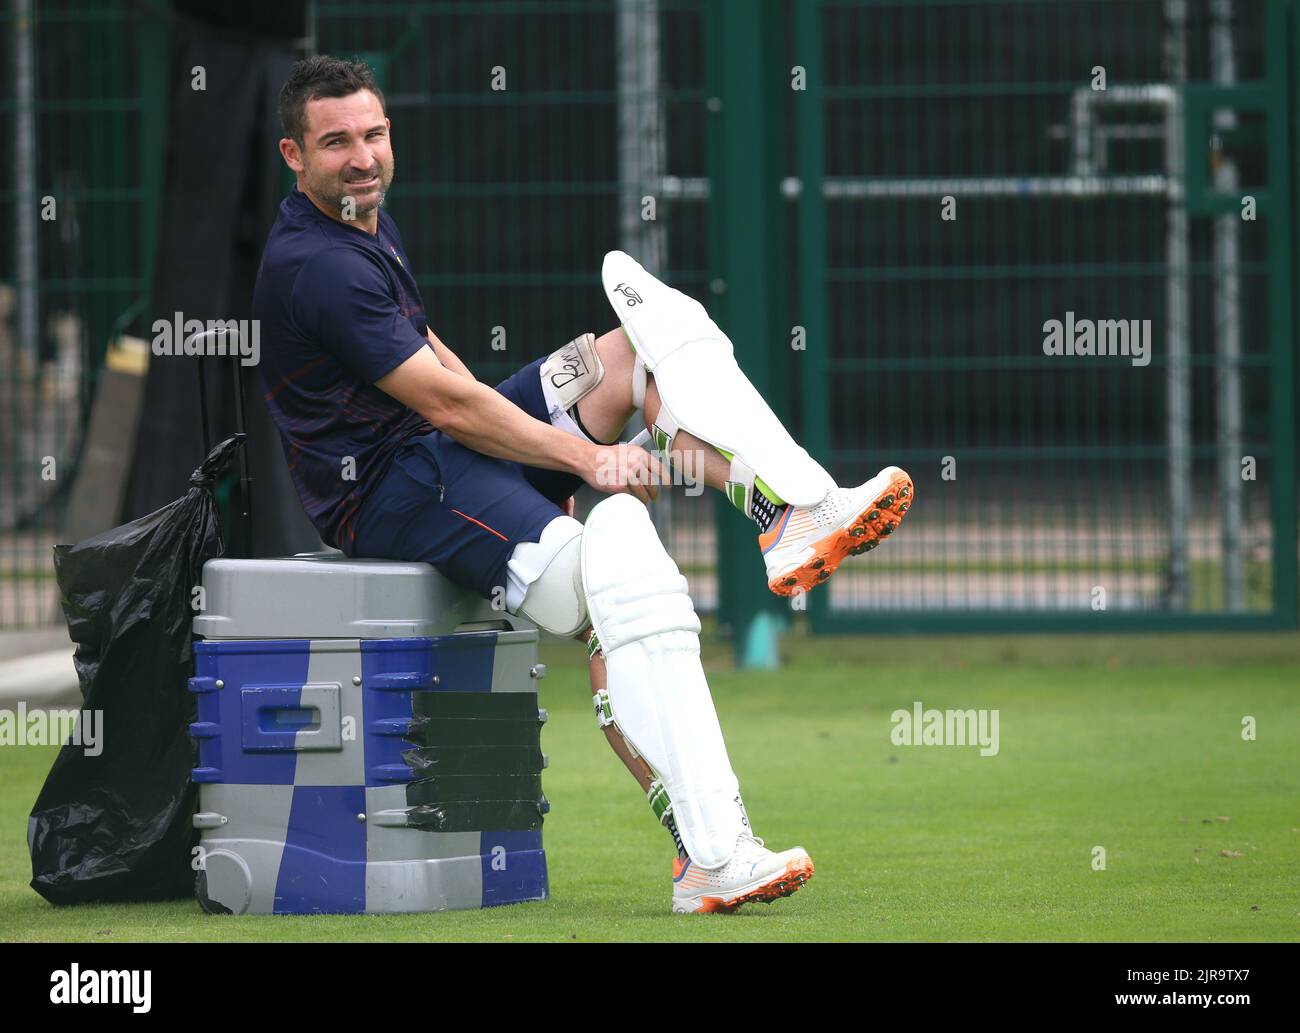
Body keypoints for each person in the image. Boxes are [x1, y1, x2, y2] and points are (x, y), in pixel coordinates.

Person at [252, 56, 913, 914]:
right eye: (336, 141)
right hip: (396, 490)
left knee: (646, 338)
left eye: (373, 134)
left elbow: (435, 357)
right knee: (626, 582)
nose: (362, 156)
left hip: (448, 446)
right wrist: (584, 459)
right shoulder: (320, 264)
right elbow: (446, 404)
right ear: (293, 155)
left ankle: (788, 512)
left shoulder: (362, 220)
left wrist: (539, 438)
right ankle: (710, 853)